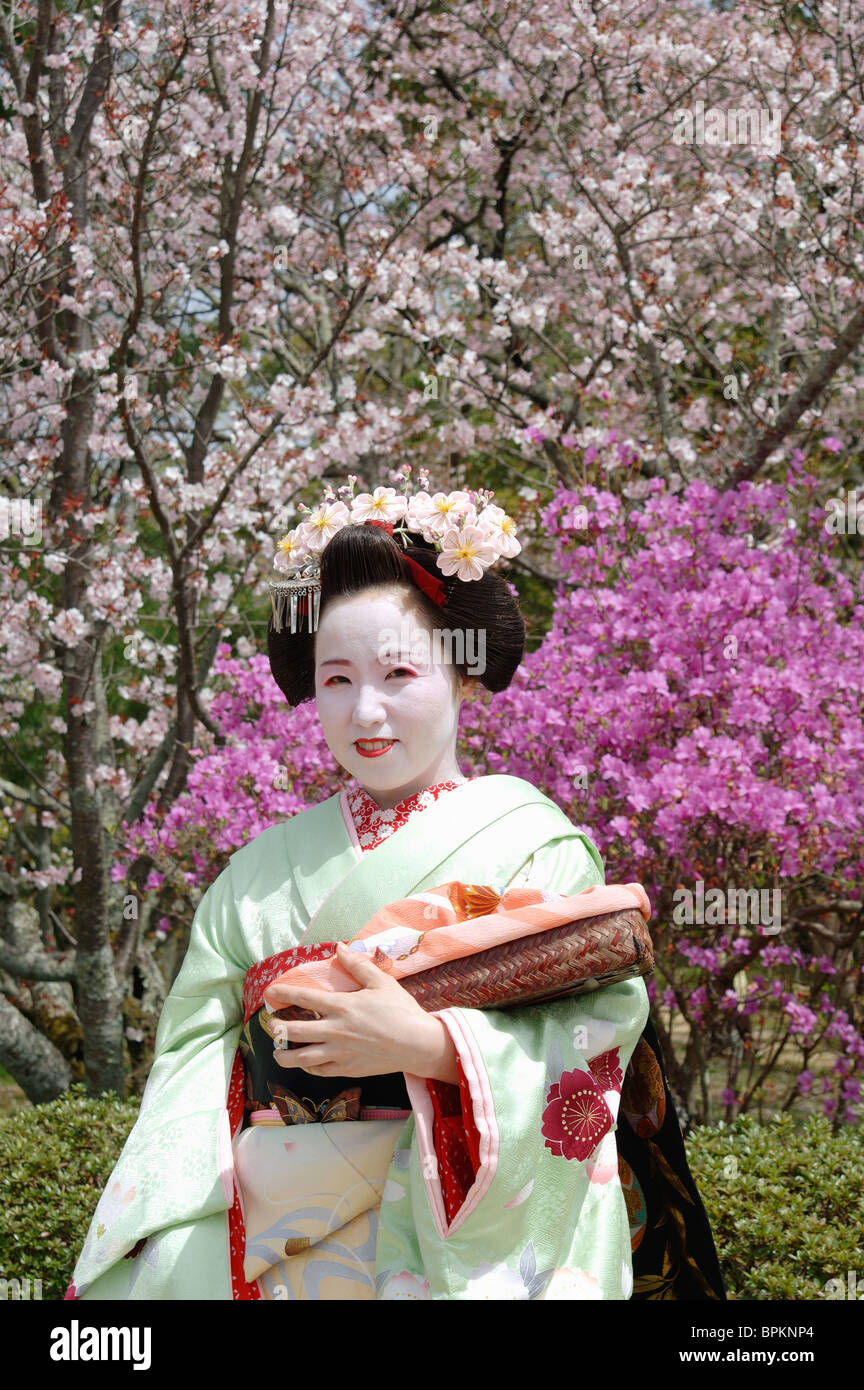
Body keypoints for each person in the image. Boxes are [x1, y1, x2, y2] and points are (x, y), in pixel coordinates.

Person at [67, 484, 724, 1300]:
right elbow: (189, 1070)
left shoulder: (536, 846)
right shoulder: (256, 872)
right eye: (337, 679)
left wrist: (430, 1049)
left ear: (465, 677)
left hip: (459, 1226)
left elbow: (601, 1032)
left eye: (400, 672)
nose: (364, 710)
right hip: (273, 1243)